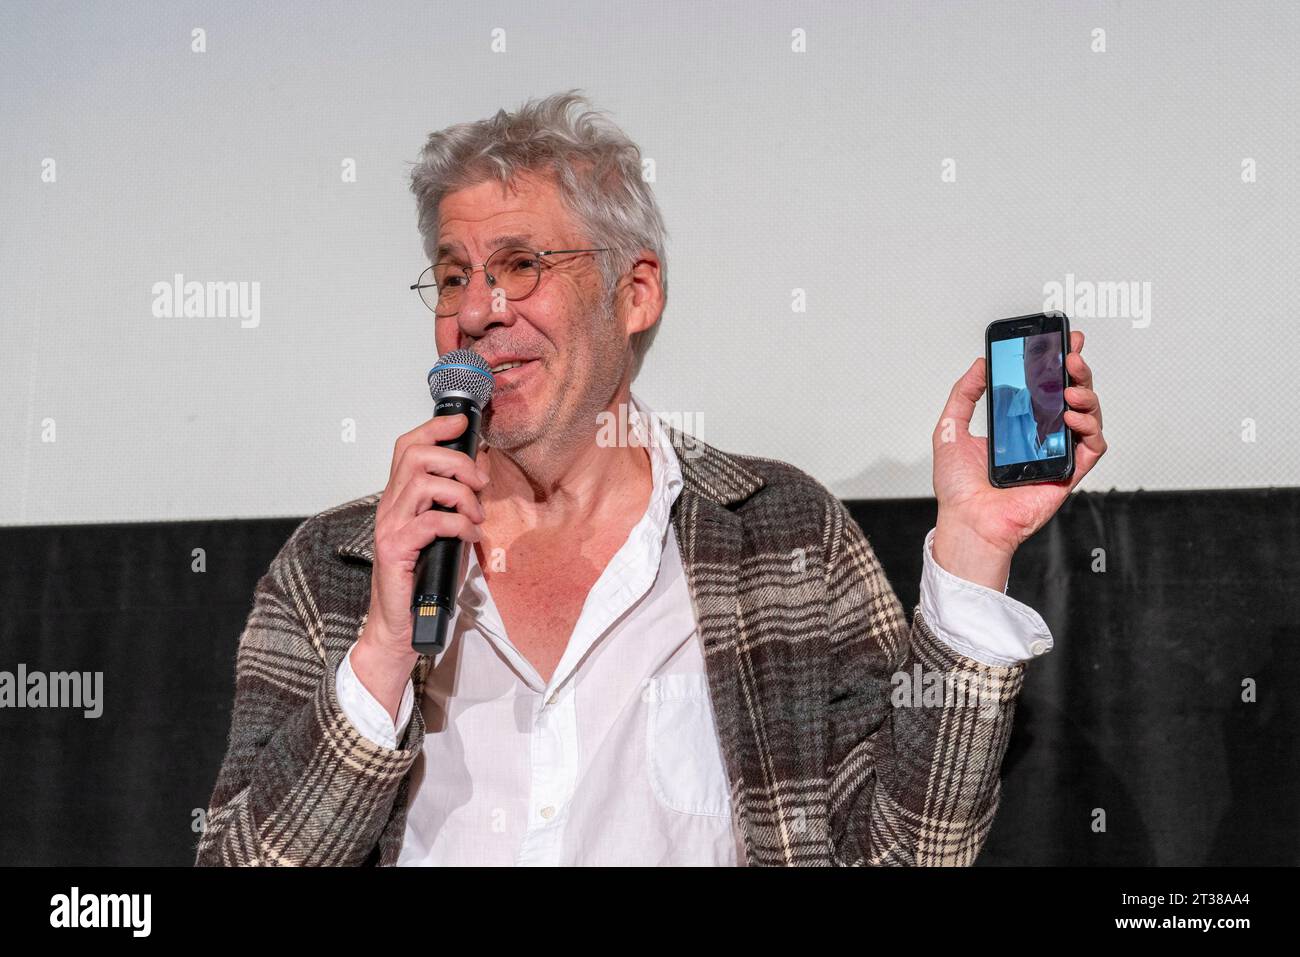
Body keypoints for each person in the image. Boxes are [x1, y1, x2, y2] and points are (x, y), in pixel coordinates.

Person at [195, 90, 1107, 867]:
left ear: (637, 292)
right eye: (452, 277)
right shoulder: (337, 569)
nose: (477, 311)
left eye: (521, 266)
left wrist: (974, 554)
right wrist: (385, 650)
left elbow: (908, 853)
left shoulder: (783, 539)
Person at [991, 331, 1069, 465]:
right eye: (1038, 348)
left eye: (1065, 348)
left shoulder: (1079, 431)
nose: (1054, 365)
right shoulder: (995, 403)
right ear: (1023, 359)